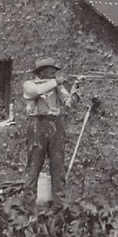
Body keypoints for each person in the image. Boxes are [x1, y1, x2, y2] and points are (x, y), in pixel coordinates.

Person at [20, 56, 79, 206]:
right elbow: (37, 91)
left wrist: (76, 92)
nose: (54, 74)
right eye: (51, 71)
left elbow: (69, 103)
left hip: (55, 124)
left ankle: (59, 206)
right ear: (42, 72)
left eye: (54, 72)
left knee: (58, 167)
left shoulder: (56, 87)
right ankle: (28, 208)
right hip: (37, 124)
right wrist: (55, 82)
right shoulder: (29, 84)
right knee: (34, 167)